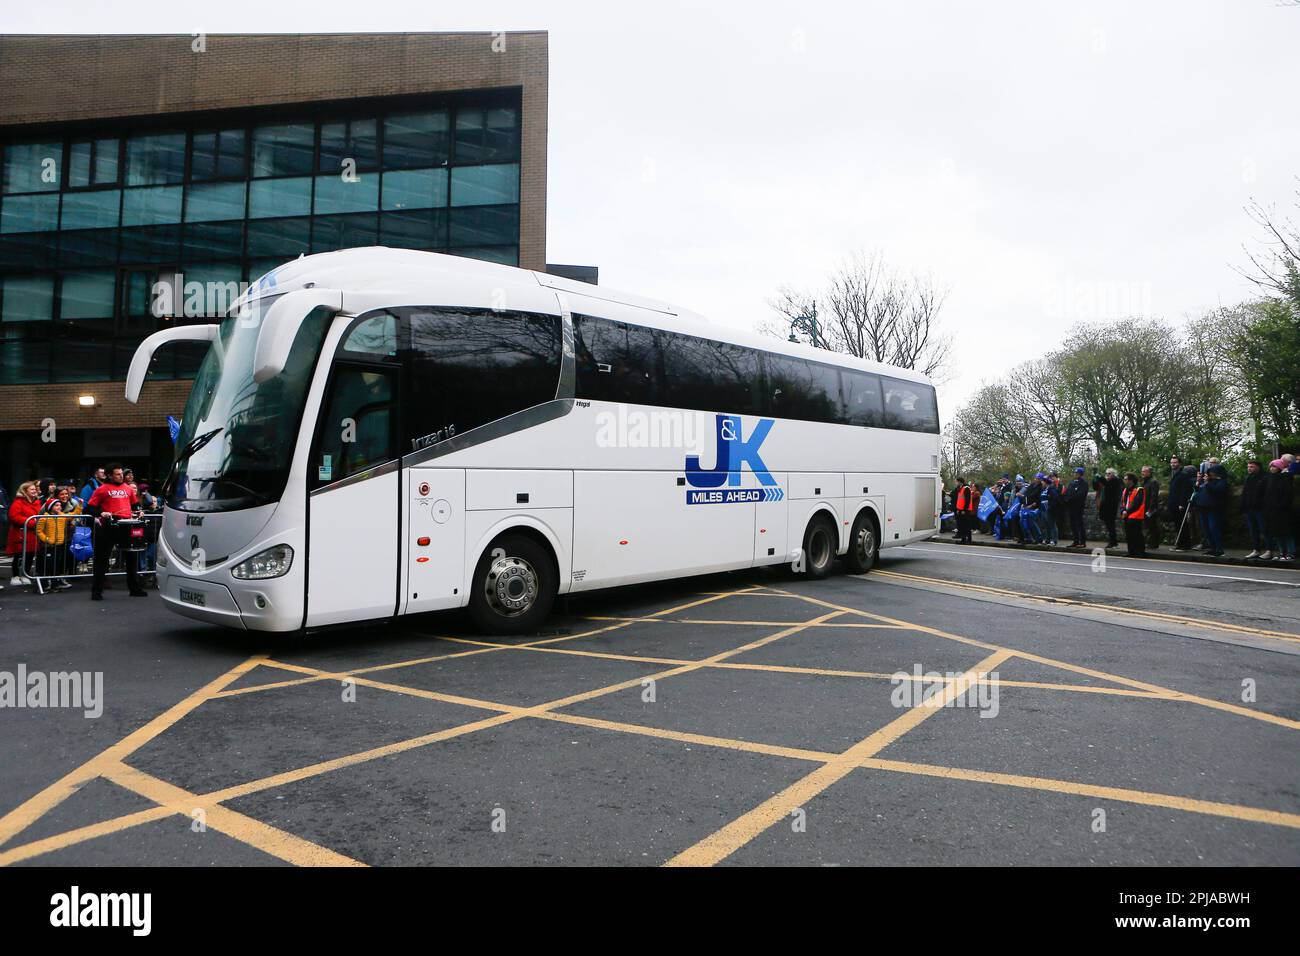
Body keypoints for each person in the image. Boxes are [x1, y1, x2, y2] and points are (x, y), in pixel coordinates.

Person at [86, 463, 147, 600]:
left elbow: (135, 505)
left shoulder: (128, 489)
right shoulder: (102, 489)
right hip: (109, 526)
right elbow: (89, 509)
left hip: (126, 525)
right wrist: (102, 512)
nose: (121, 476)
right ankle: (96, 592)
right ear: (109, 475)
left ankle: (134, 588)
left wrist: (140, 511)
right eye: (118, 474)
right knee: (102, 560)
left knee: (131, 559)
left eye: (121, 473)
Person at [6, 481, 43, 587]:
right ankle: (15, 576)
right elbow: (14, 516)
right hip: (20, 533)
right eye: (31, 489)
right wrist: (32, 522)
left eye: (35, 489)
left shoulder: (37, 502)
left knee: (30, 555)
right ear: (24, 490)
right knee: (18, 556)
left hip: (32, 534)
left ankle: (25, 575)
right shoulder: (18, 502)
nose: (34, 491)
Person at [35, 497, 74, 591]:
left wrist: (80, 506)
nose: (59, 507)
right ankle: (44, 584)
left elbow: (73, 515)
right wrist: (47, 539)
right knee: (47, 565)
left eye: (60, 505)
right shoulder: (44, 517)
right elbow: (39, 531)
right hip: (48, 546)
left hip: (58, 545)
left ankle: (54, 584)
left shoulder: (62, 515)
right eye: (57, 505)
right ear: (50, 507)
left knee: (56, 565)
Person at [1193, 464, 1229, 557]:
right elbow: (1198, 490)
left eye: (1213, 473)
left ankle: (1219, 549)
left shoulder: (1222, 482)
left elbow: (1217, 491)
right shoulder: (1208, 482)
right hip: (1203, 507)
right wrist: (1198, 481)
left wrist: (1208, 483)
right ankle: (1212, 547)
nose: (1211, 475)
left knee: (1214, 528)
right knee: (1206, 529)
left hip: (1214, 508)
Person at [1263, 459, 1295, 562]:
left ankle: (1290, 553)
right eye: (1271, 466)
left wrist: (1280, 505)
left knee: (1286, 532)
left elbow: (1287, 495)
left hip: (1282, 510)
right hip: (1272, 510)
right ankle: (1282, 552)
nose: (1272, 468)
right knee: (1276, 533)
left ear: (1280, 468)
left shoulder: (1285, 478)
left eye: (1274, 466)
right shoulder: (1270, 479)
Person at [1166, 456, 1195, 551]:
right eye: (1171, 462)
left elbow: (1184, 490)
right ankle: (1180, 544)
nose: (1173, 464)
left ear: (1179, 463)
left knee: (1183, 525)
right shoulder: (1174, 474)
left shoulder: (1183, 474)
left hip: (1179, 505)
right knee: (1178, 525)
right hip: (1174, 504)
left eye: (1175, 462)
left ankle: (1185, 545)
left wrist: (1182, 504)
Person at [1243, 459, 1269, 559]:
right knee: (1253, 530)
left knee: (1264, 529)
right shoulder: (1248, 478)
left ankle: (1269, 550)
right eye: (1248, 467)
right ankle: (1256, 550)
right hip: (1249, 508)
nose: (1249, 469)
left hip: (1260, 508)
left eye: (1251, 467)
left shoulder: (1264, 477)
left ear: (1258, 467)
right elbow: (1245, 493)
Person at [1120, 472, 1147, 557]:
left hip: (1136, 515)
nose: (1124, 481)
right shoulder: (1125, 490)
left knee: (1137, 535)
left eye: (1126, 479)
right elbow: (1123, 502)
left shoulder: (1139, 490)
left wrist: (1126, 511)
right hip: (1128, 515)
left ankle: (1140, 552)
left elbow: (1136, 504)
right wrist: (1123, 510)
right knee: (1129, 535)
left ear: (1131, 480)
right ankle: (1131, 551)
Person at [1094, 468, 1121, 548]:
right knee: (1109, 525)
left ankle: (1113, 542)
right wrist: (1096, 478)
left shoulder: (1115, 481)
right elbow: (1097, 486)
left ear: (1113, 474)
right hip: (1106, 506)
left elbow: (1108, 486)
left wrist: (1100, 477)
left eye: (1109, 473)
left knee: (1111, 525)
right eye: (1107, 473)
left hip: (1111, 506)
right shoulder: (1107, 482)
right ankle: (1112, 542)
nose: (1107, 475)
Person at [1062, 467, 1089, 547]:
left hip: (1078, 506)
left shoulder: (1084, 483)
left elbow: (1080, 494)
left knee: (1079, 524)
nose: (1075, 474)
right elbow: (1067, 492)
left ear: (1080, 474)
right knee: (1073, 524)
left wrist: (1070, 498)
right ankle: (1076, 541)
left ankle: (1082, 542)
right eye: (1075, 473)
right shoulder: (1072, 483)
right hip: (1071, 507)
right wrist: (1066, 499)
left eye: (1076, 473)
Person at [1140, 465, 1161, 550]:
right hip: (1145, 507)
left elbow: (1153, 496)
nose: (1143, 473)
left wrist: (1151, 508)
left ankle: (1153, 544)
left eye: (1144, 471)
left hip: (1150, 508)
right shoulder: (1145, 481)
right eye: (1142, 471)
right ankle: (1150, 542)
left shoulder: (1153, 482)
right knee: (1148, 525)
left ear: (1149, 472)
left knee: (1152, 526)